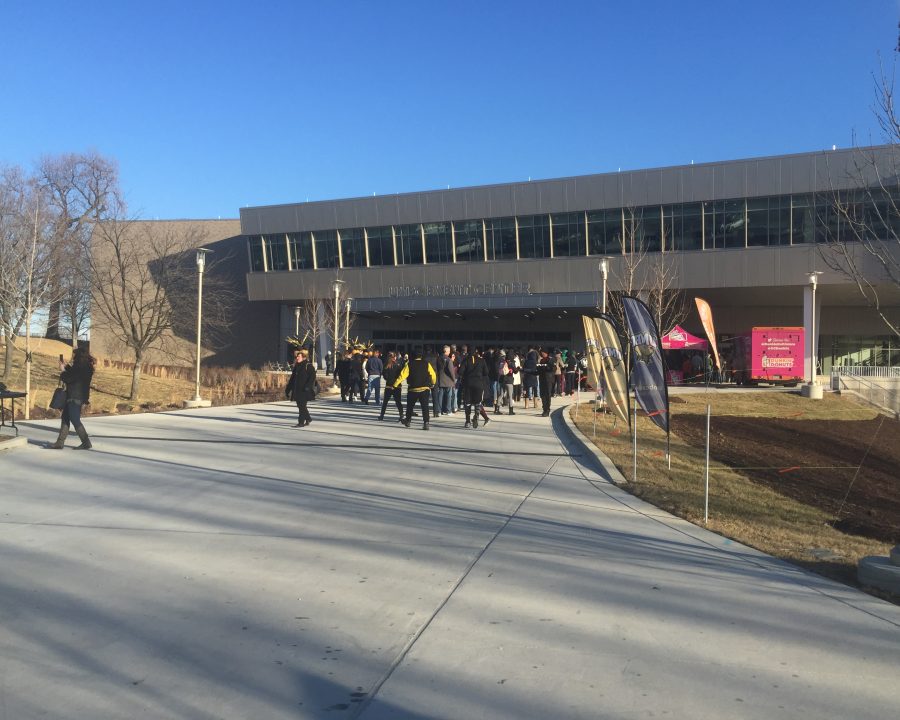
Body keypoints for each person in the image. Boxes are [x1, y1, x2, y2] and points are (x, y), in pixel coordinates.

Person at [48, 346, 95, 449]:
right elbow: (75, 374)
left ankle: (86, 442)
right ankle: (60, 442)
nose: (73, 356)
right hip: (79, 396)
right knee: (65, 418)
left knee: (74, 419)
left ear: (78, 355)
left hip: (74, 396)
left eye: (74, 354)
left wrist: (62, 371)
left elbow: (69, 378)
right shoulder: (86, 366)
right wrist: (67, 367)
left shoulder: (79, 366)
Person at [393, 347, 436, 430]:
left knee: (410, 406)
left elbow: (402, 375)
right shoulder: (427, 364)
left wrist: (395, 384)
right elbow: (433, 375)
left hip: (413, 389)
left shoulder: (409, 364)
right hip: (424, 388)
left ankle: (408, 421)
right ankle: (426, 423)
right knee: (425, 407)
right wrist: (433, 383)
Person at [285, 348, 317, 427]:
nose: (297, 358)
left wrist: (307, 386)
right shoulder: (297, 366)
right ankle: (308, 418)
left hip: (304, 390)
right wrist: (287, 389)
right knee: (300, 406)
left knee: (302, 406)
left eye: (298, 356)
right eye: (296, 357)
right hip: (297, 390)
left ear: (303, 357)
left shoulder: (308, 366)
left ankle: (301, 422)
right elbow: (292, 379)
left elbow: (312, 377)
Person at [460, 347, 490, 429]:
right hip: (478, 384)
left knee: (467, 403)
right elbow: (486, 372)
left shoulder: (466, 360)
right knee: (478, 402)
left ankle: (467, 421)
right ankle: (476, 415)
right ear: (476, 352)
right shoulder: (482, 360)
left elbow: (460, 372)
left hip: (468, 383)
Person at [378, 352, 404, 421]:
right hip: (397, 386)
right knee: (398, 402)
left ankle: (381, 415)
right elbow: (400, 375)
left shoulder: (386, 365)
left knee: (385, 402)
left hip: (388, 386)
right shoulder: (398, 365)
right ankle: (401, 415)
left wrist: (389, 379)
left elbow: (385, 376)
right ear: (394, 357)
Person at [437, 345, 456, 415]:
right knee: (448, 396)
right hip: (448, 380)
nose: (449, 352)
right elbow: (451, 371)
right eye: (449, 351)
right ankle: (448, 410)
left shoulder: (438, 358)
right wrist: (453, 379)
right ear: (446, 351)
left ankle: (439, 410)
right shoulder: (448, 360)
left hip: (440, 379)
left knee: (440, 396)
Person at [536, 349, 556, 417]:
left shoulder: (551, 359)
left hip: (548, 379)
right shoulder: (541, 360)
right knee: (542, 395)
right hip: (542, 379)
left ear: (546, 353)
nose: (542, 354)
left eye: (543, 353)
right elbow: (539, 369)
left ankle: (547, 410)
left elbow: (553, 369)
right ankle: (544, 409)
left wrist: (546, 367)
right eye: (541, 353)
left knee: (547, 394)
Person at [497, 350, 515, 415]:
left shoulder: (502, 361)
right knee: (510, 396)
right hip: (509, 380)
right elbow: (515, 371)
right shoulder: (512, 363)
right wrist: (518, 368)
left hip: (502, 380)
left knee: (501, 395)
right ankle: (511, 410)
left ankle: (497, 409)